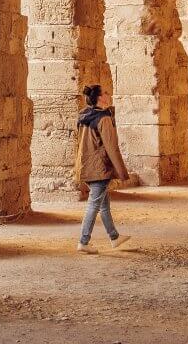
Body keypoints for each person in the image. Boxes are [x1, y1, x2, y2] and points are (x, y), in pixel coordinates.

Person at [73, 83, 132, 253]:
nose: (108, 95)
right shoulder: (104, 118)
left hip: (87, 165)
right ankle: (83, 242)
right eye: (105, 93)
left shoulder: (84, 115)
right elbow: (111, 146)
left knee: (103, 205)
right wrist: (121, 172)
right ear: (99, 97)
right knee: (94, 205)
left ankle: (114, 237)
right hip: (99, 167)